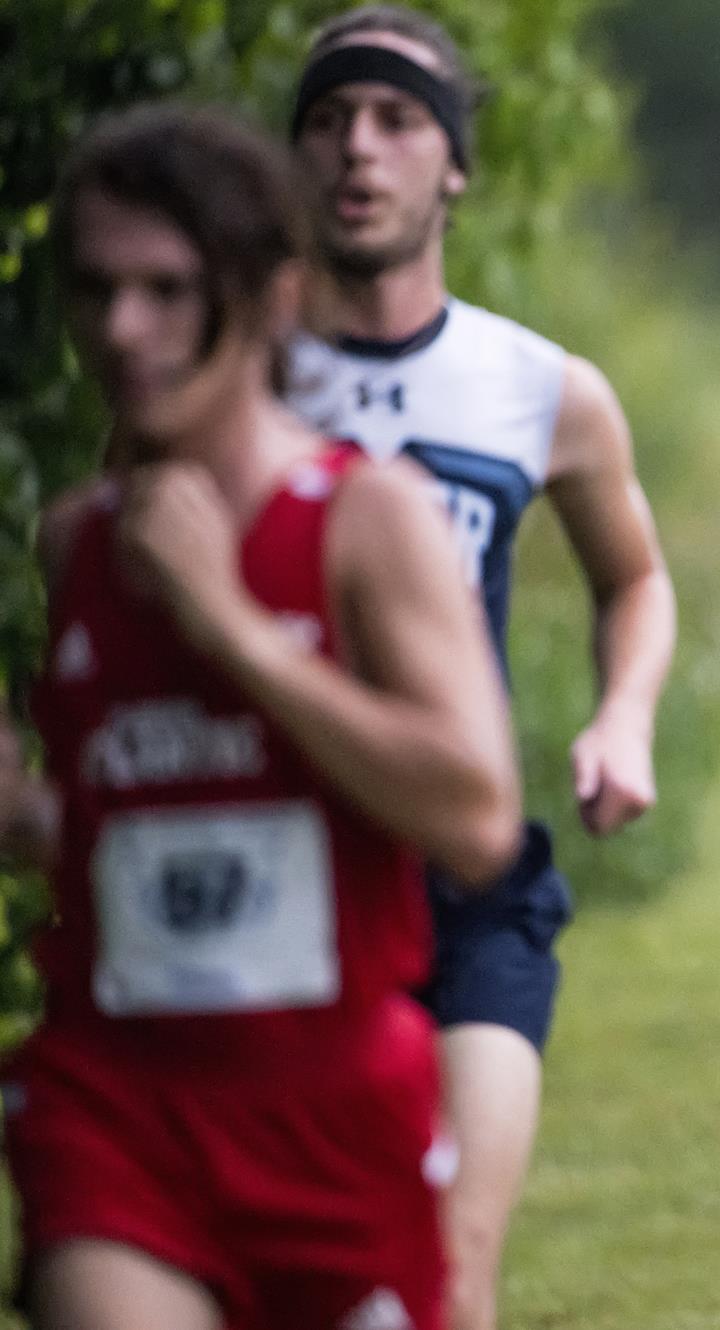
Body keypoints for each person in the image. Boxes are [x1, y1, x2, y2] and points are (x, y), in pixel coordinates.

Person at [2, 104, 520, 1330]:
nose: (124, 330)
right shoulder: (72, 540)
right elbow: (115, 823)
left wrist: (233, 628)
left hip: (331, 1117)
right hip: (116, 1101)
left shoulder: (364, 519)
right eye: (97, 289)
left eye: (168, 290)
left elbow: (476, 815)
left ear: (270, 294)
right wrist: (24, 809)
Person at [284, 9, 677, 1329]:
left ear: (453, 165)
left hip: (469, 879)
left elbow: (637, 576)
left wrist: (624, 717)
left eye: (397, 121)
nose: (360, 149)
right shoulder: (221, 376)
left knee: (447, 1270)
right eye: (331, 121)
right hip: (279, 876)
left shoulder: (539, 386)